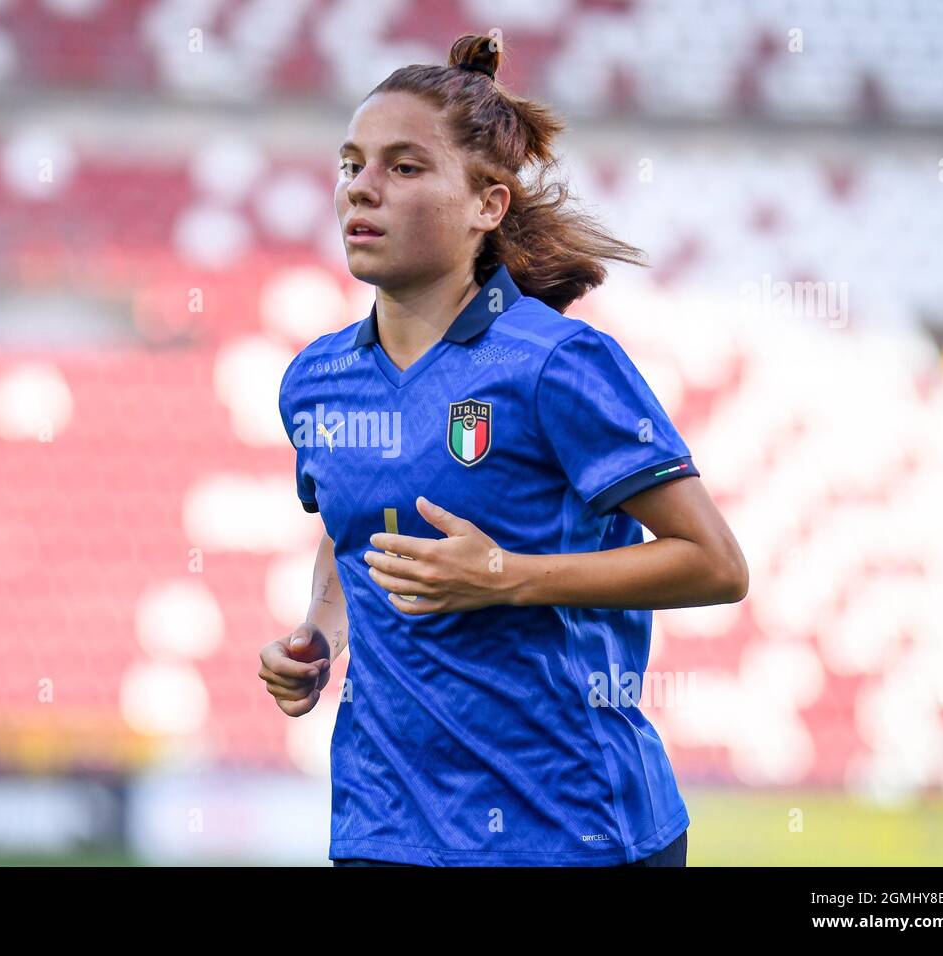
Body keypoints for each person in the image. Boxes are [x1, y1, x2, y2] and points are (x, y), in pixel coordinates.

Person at [260, 33, 747, 867]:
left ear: (488, 205)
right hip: (386, 826)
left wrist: (505, 577)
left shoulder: (559, 364)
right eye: (351, 165)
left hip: (573, 826)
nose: (360, 189)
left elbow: (714, 565)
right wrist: (317, 637)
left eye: (404, 168)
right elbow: (351, 536)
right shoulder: (316, 380)